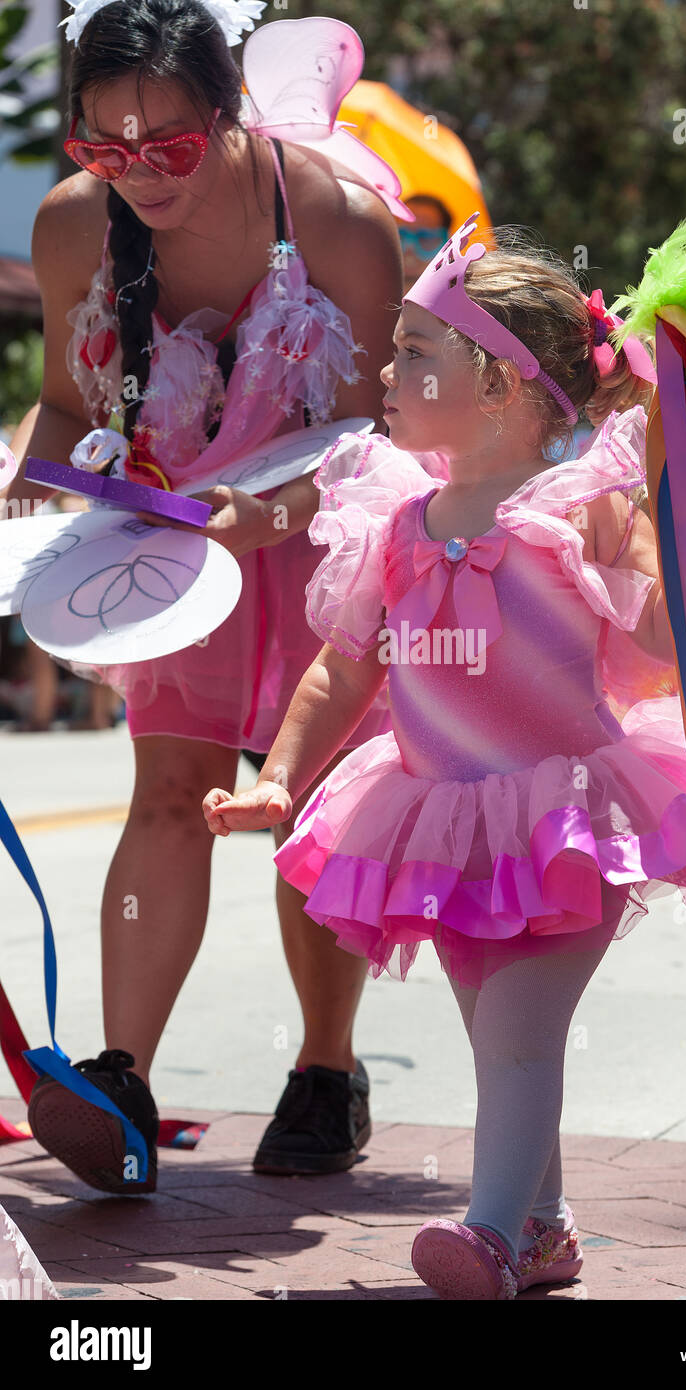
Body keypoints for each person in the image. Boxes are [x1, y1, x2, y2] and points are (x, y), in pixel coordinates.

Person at [202, 218, 686, 1299]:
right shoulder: (396, 516)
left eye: (417, 352)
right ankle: (545, 1226)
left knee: (519, 1035)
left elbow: (668, 641)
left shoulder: (574, 510)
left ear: (504, 387)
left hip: (566, 820)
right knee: (498, 1039)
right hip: (444, 822)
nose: (387, 371)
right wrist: (280, 772)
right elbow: (343, 665)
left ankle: (485, 1230)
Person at [1, 0, 405, 1192]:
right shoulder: (76, 227)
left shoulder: (334, 218)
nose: (138, 176)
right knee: (172, 788)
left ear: (228, 115)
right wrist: (29, 485)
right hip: (175, 544)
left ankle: (327, 1070)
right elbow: (67, 410)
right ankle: (123, 1074)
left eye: (167, 148)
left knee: (306, 805)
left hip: (323, 533)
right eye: (104, 149)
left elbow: (392, 428)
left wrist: (275, 514)